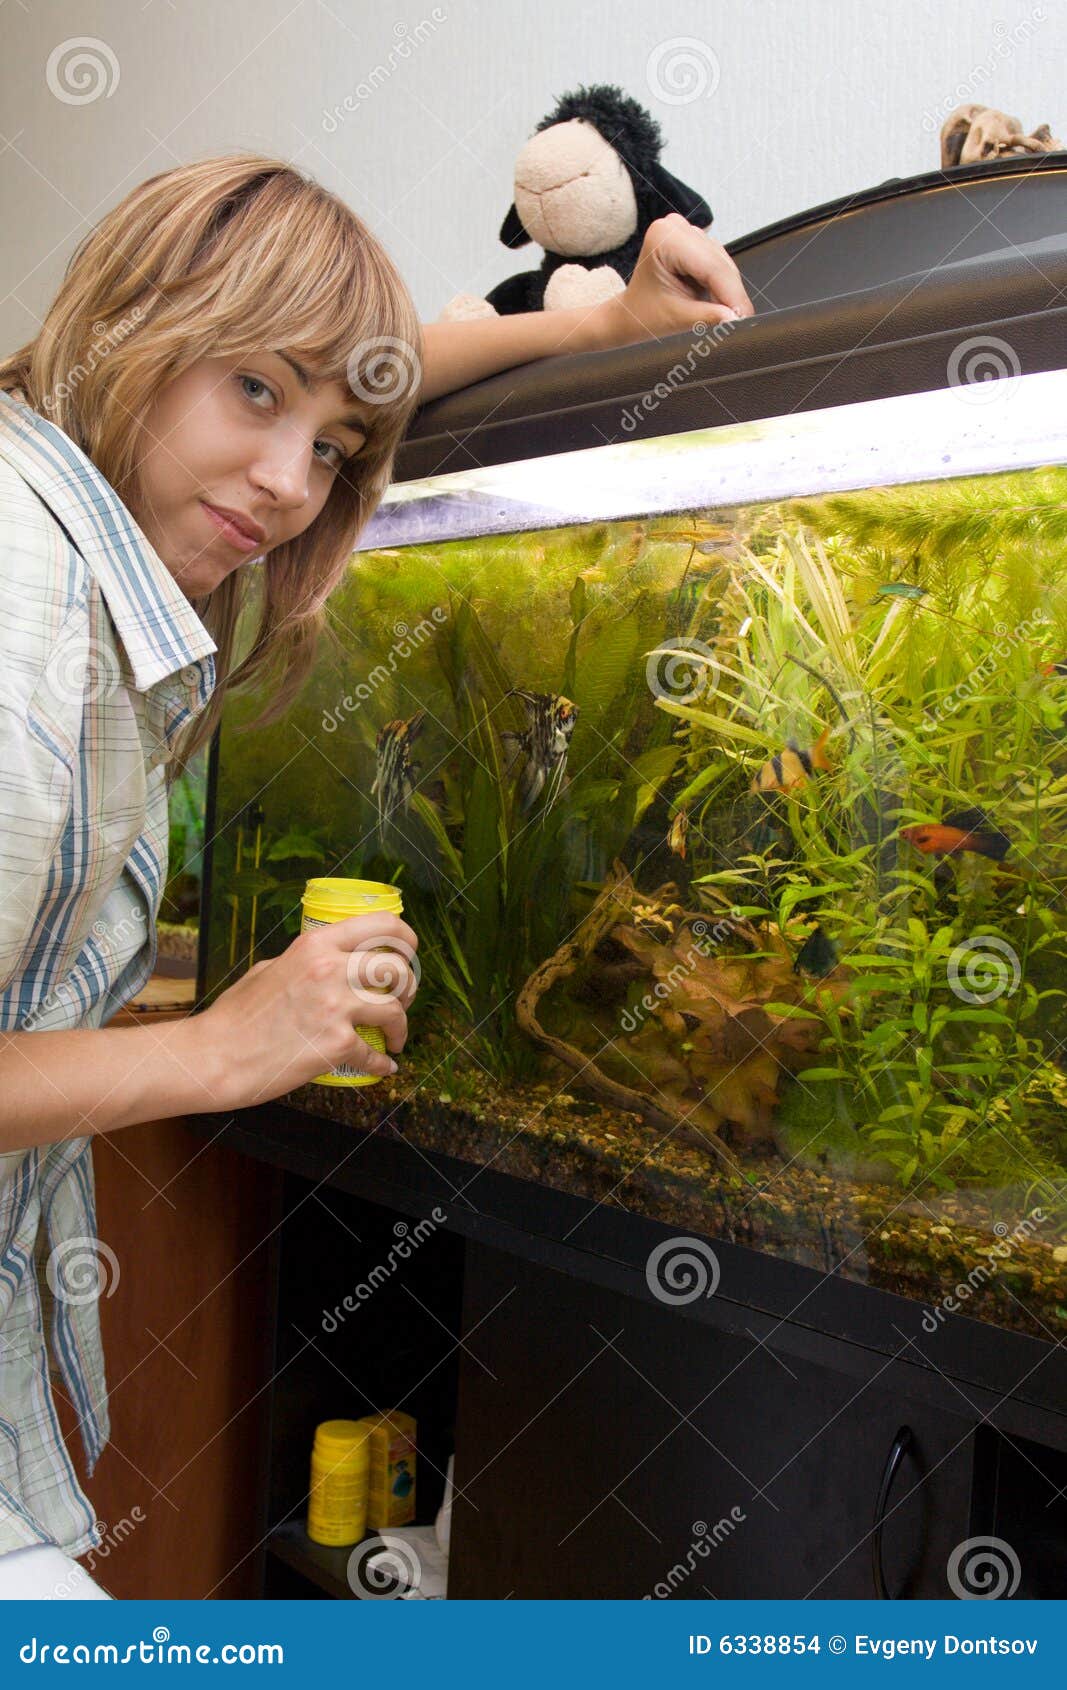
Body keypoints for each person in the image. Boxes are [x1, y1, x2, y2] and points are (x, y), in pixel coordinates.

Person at [0, 153, 753, 1598]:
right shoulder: (34, 608)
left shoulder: (70, 527)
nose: (292, 487)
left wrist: (584, 333)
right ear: (135, 327)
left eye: (339, 446)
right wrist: (224, 1046)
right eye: (257, 394)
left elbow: (352, 365)